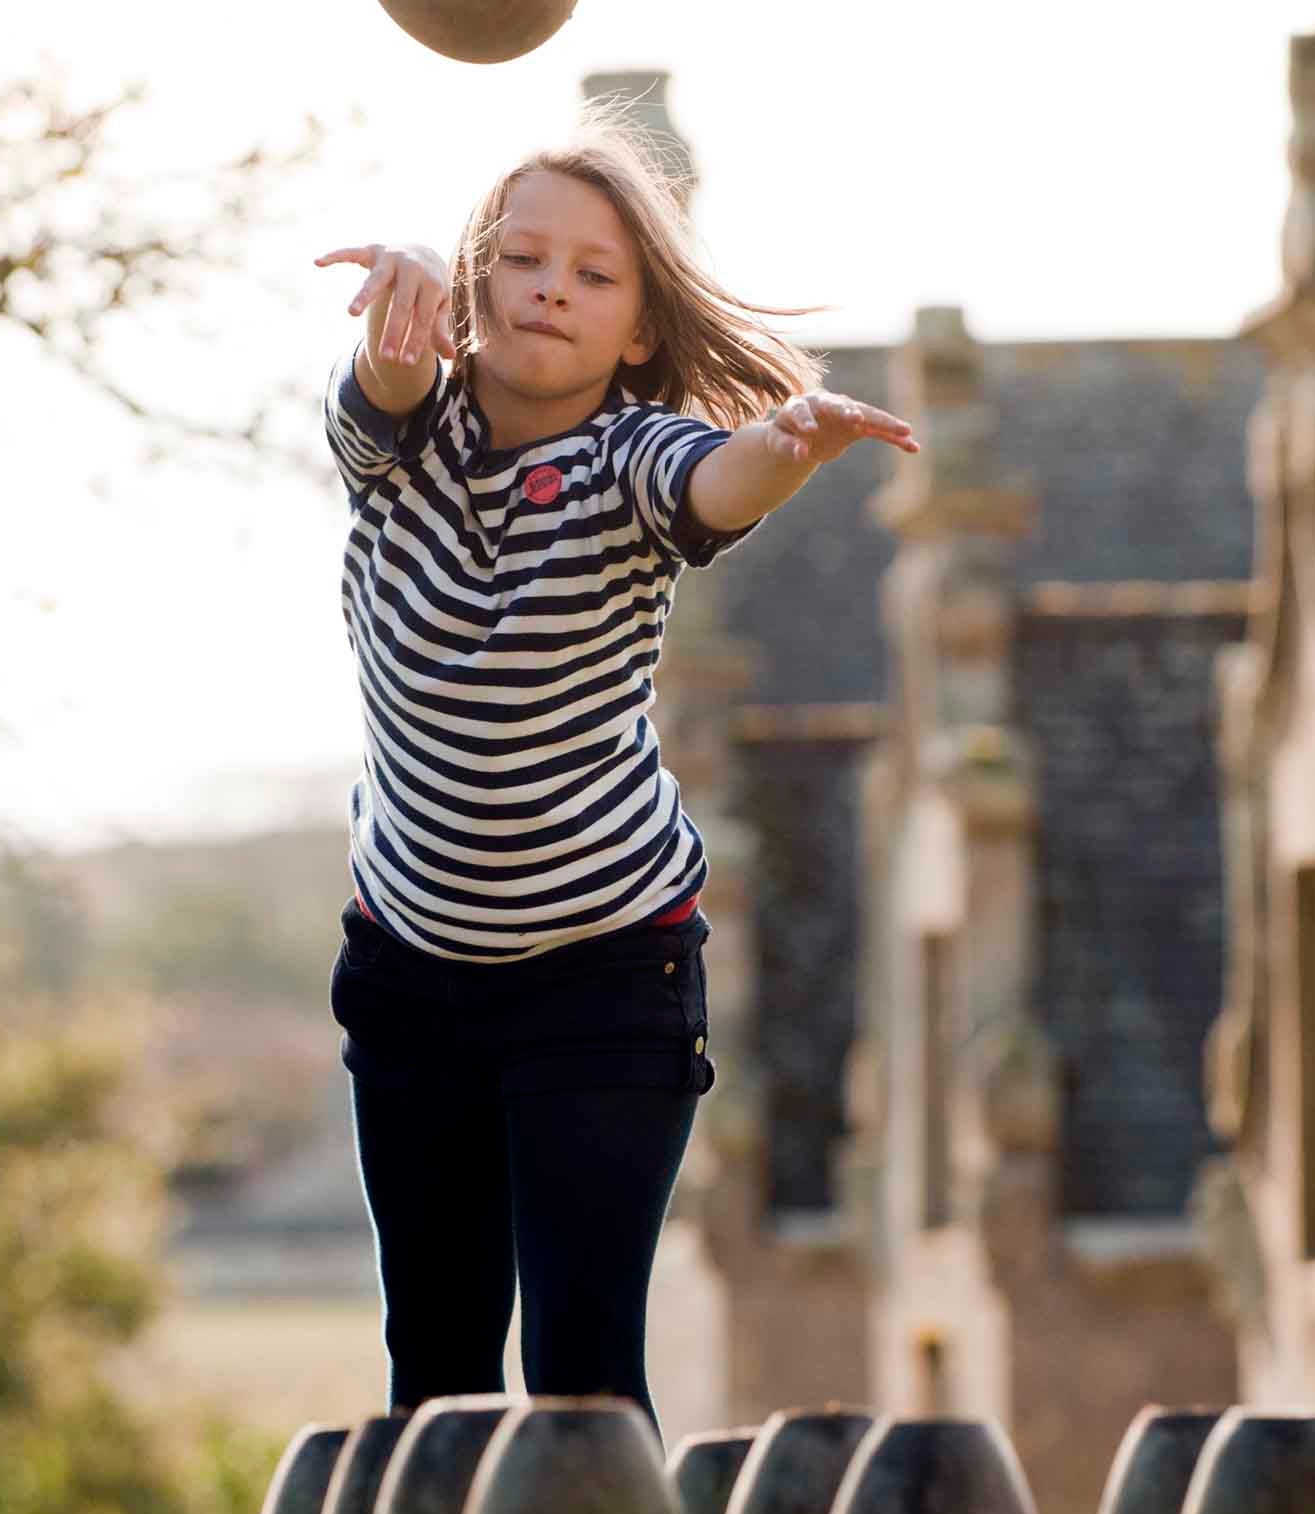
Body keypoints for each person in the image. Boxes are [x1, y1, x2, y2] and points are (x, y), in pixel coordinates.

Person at [309, 110, 918, 1437]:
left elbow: (713, 484)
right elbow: (383, 390)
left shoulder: (629, 456)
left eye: (594, 276)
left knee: (582, 1380)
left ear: (639, 331)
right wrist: (397, 318)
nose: (552, 290)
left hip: (604, 977)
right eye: (523, 260)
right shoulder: (403, 440)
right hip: (410, 978)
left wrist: (787, 444)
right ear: (474, 283)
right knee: (435, 1376)